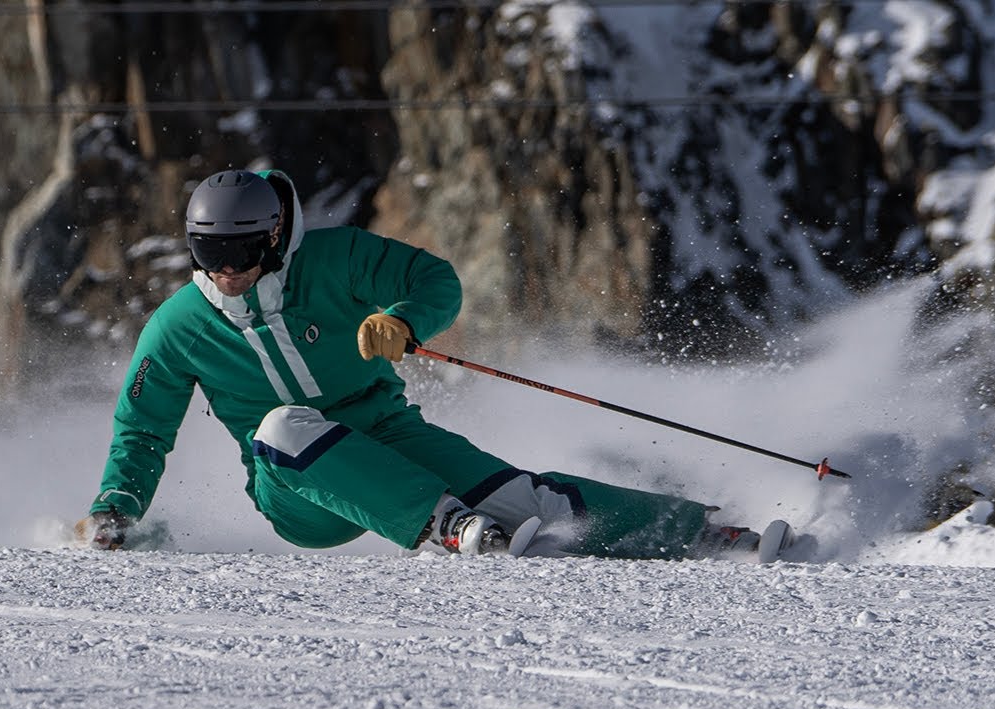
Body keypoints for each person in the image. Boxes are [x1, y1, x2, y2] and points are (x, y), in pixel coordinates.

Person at [76, 169, 760, 558]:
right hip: (302, 491)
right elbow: (143, 428)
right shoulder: (176, 329)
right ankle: (448, 527)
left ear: (276, 236)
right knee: (282, 426)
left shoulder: (335, 258)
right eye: (209, 254)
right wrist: (116, 507)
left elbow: (434, 280)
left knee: (525, 499)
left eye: (242, 252)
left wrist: (403, 320)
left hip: (389, 434)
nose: (227, 271)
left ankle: (702, 532)